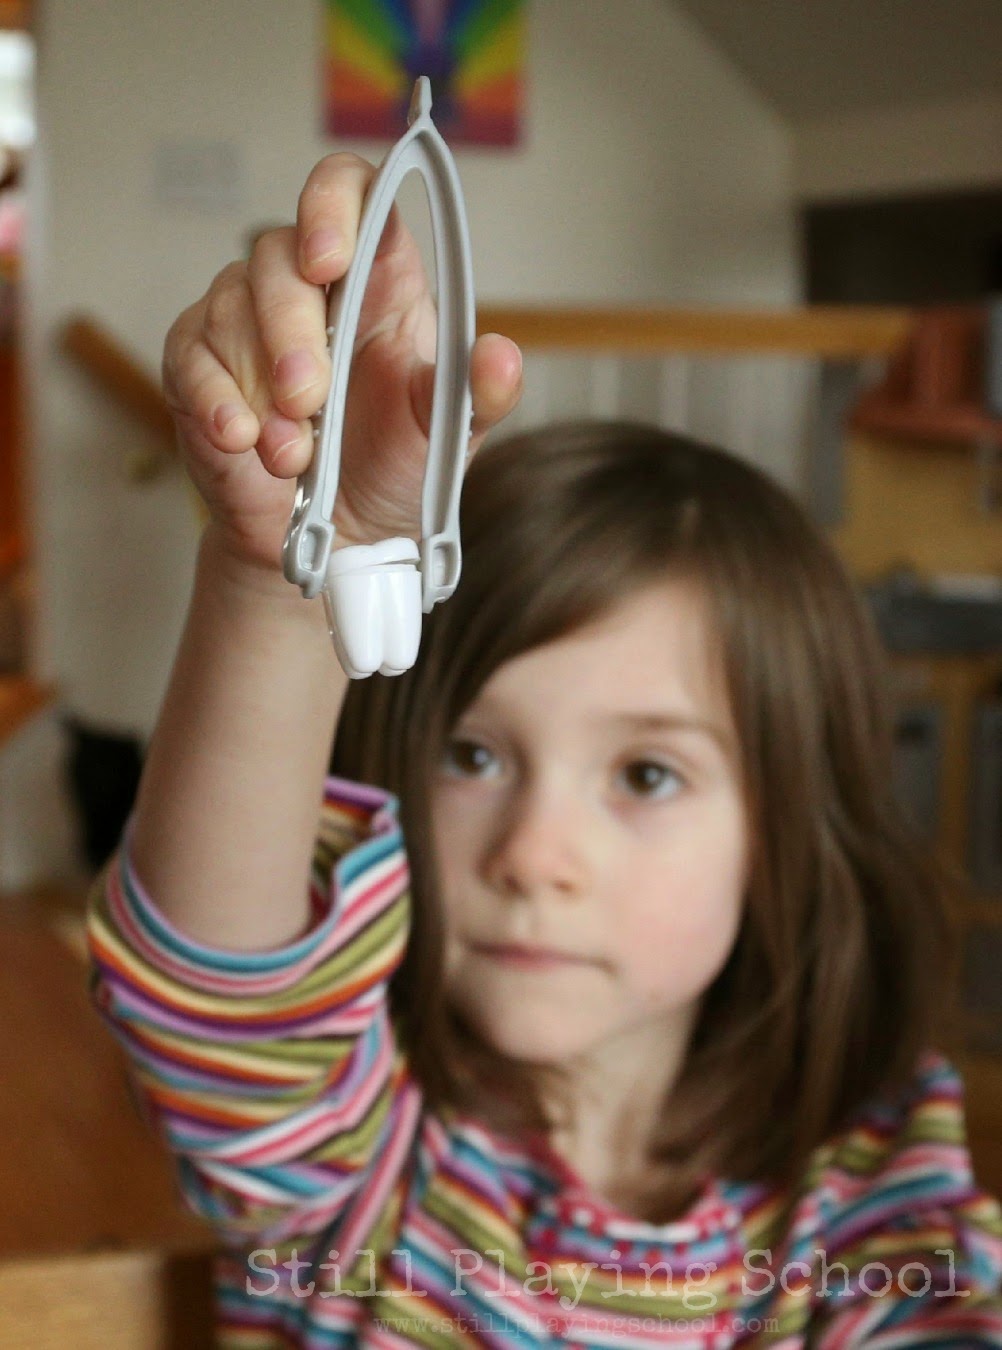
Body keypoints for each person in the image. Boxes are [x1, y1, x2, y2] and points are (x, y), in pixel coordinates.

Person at [87, 150, 1002, 1348]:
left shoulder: (869, 1191)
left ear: (788, 829)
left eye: (647, 775)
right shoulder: (344, 1152)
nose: (533, 856)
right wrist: (280, 581)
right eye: (474, 757)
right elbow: (219, 1004)